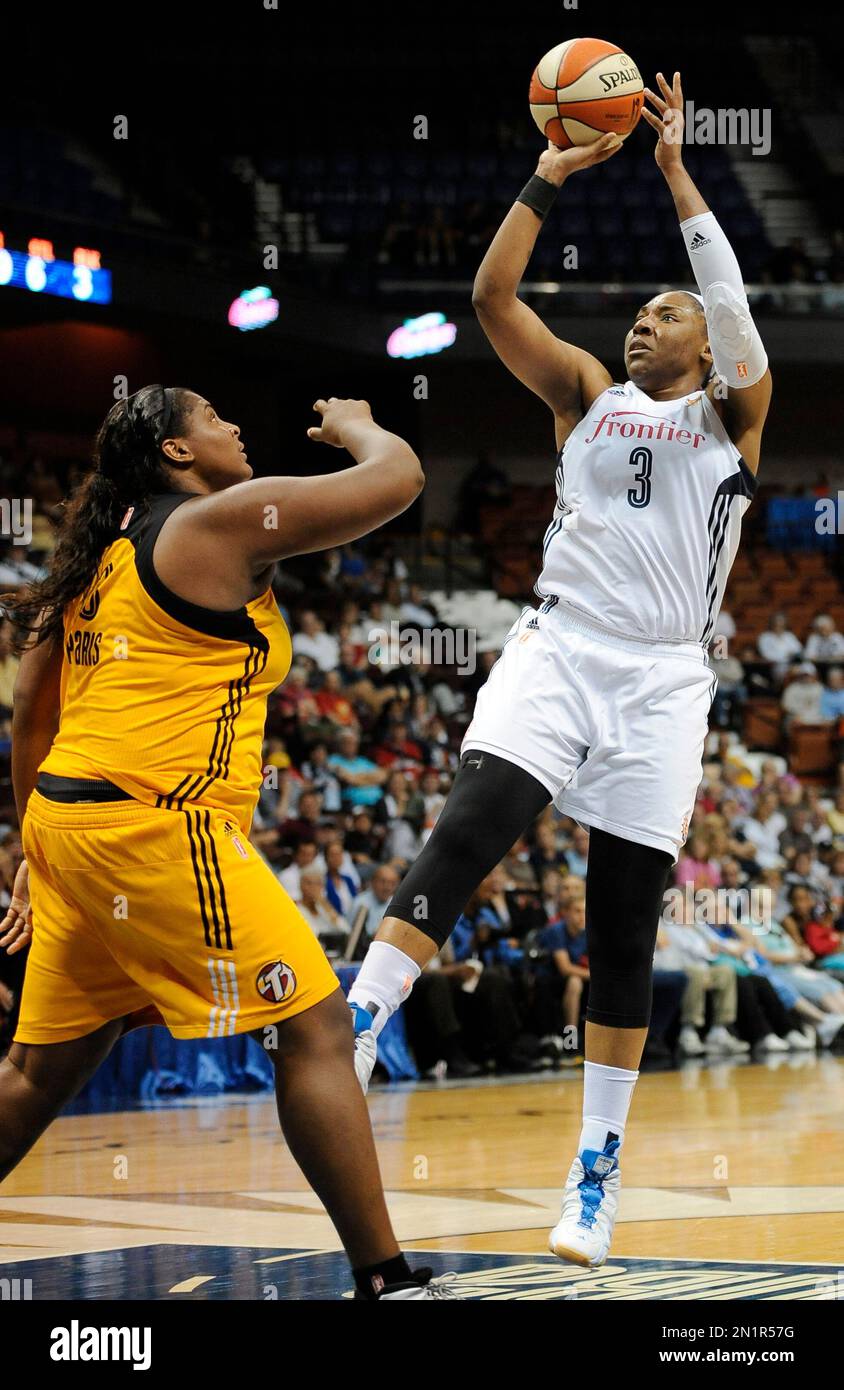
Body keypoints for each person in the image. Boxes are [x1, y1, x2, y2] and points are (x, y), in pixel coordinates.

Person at [346, 70, 773, 1271]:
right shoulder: (584, 393)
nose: (644, 323)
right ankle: (362, 1016)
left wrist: (679, 177)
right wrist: (552, 171)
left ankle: (595, 1175)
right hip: (560, 646)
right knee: (472, 824)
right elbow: (490, 295)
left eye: (664, 313)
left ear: (703, 345)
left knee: (626, 925)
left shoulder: (731, 418)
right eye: (637, 311)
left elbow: (733, 317)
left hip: (664, 682)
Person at [0, 385, 461, 1300]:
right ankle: (387, 1280)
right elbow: (400, 478)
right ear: (176, 453)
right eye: (213, 417)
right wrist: (358, 426)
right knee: (317, 1026)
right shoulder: (222, 522)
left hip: (71, 820)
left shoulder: (98, 555)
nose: (236, 427)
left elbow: (29, 709)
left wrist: (33, 858)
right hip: (155, 823)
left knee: (40, 1068)